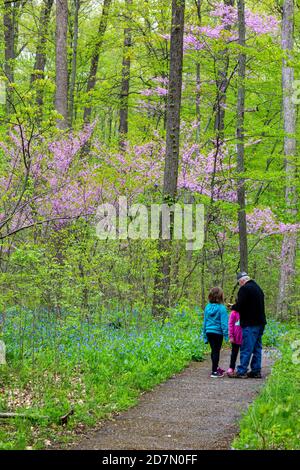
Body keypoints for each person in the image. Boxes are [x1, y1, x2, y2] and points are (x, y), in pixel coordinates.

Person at [230, 272, 267, 379]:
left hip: (250, 323)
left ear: (241, 281)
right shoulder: (257, 288)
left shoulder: (244, 289)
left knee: (246, 347)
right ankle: (256, 371)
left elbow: (241, 305)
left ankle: (242, 371)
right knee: (257, 347)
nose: (240, 285)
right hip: (260, 322)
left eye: (239, 283)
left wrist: (233, 307)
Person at [203, 287, 228, 378]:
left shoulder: (207, 307)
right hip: (218, 333)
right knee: (216, 351)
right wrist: (226, 336)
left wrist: (205, 335)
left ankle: (215, 368)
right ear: (221, 296)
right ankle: (214, 372)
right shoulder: (222, 308)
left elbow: (205, 322)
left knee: (213, 351)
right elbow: (224, 324)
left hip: (209, 332)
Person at [227, 305, 242, 377]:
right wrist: (231, 336)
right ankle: (231, 367)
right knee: (234, 354)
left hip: (244, 338)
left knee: (244, 354)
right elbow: (230, 325)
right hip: (235, 338)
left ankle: (242, 368)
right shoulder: (233, 313)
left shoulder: (247, 312)